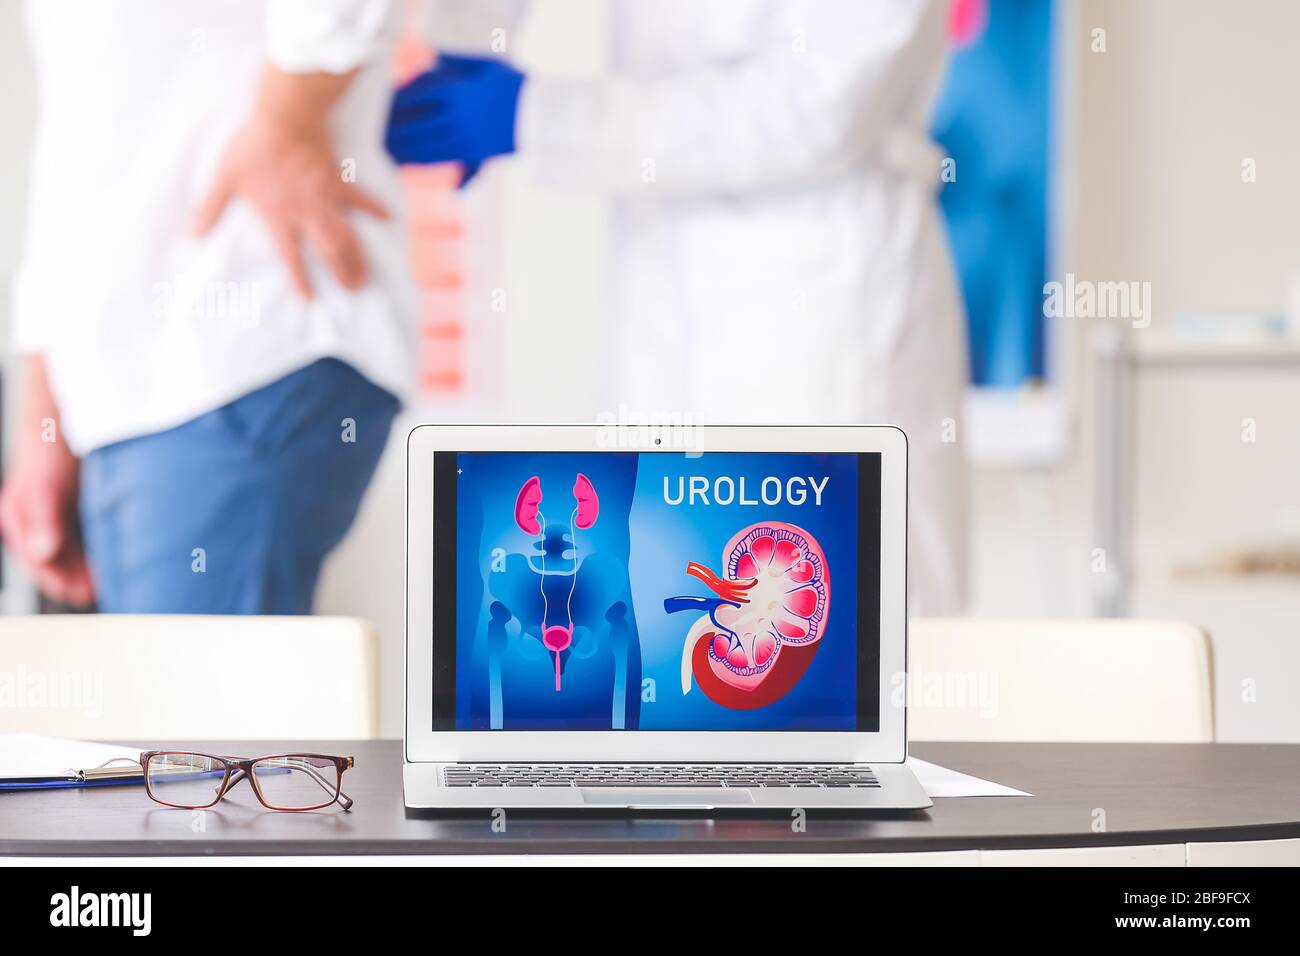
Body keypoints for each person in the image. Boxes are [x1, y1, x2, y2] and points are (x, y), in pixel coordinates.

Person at [387, 0, 968, 613]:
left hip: (821, 296)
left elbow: (820, 107)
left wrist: (538, 115)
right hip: (661, 283)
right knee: (678, 626)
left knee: (840, 638)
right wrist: (465, 40)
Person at [1, 0, 418, 613]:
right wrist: (47, 404)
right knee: (153, 704)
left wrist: (287, 122)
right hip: (121, 394)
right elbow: (82, 117)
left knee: (192, 705)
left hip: (243, 346)